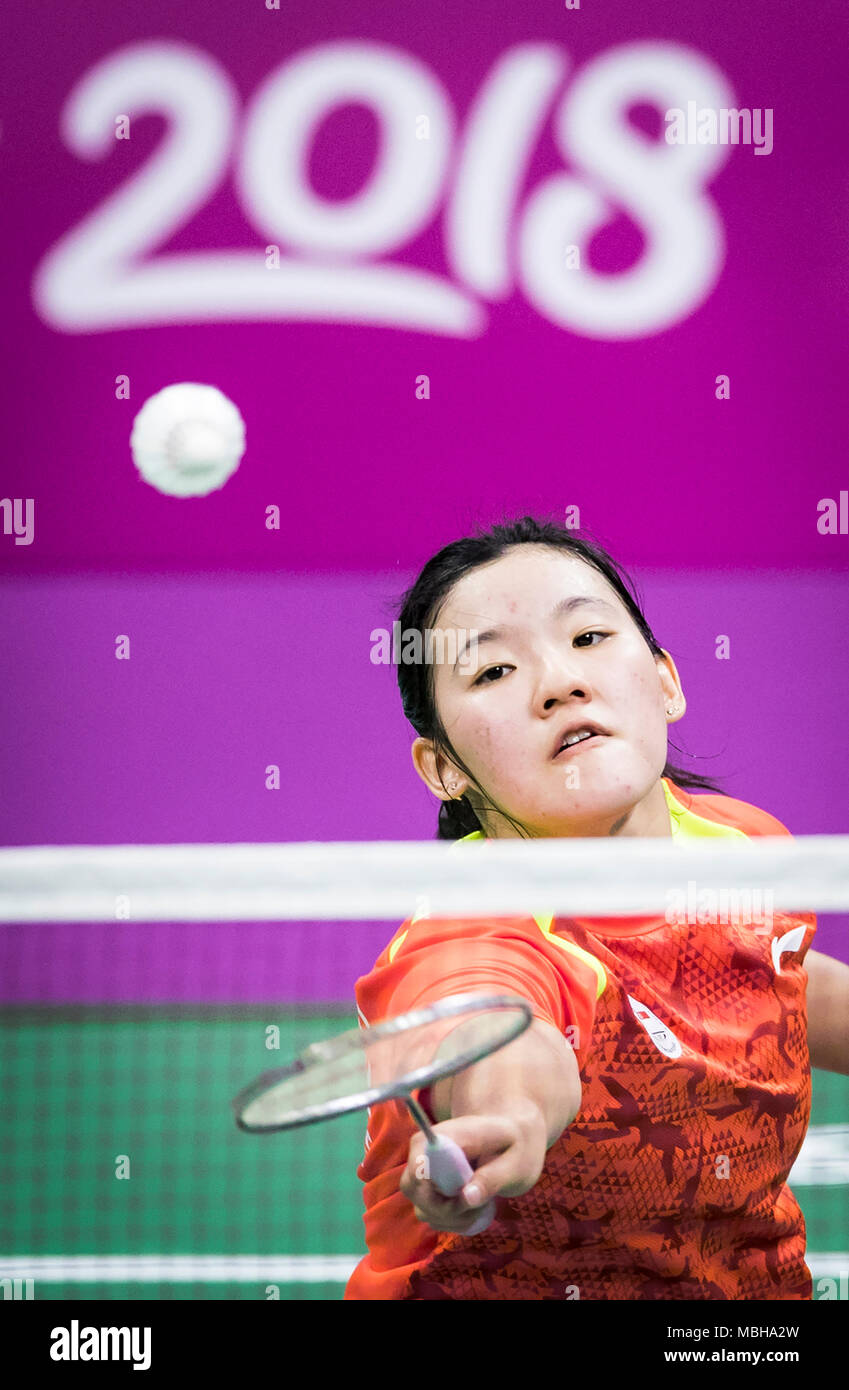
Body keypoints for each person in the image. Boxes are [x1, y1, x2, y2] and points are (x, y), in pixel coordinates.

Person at [344, 515, 849, 1300]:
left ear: (666, 682)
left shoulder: (742, 846)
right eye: (492, 673)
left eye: (586, 639)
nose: (558, 682)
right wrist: (507, 1116)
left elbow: (770, 971)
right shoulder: (474, 930)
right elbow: (495, 1024)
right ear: (443, 768)